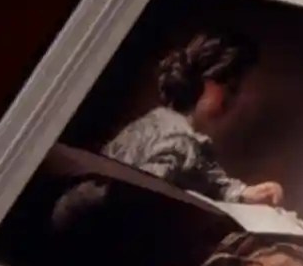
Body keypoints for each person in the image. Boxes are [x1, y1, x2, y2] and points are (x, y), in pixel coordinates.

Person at [51, 31, 282, 230]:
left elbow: (207, 178)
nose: (234, 100)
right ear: (197, 81)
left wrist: (244, 193)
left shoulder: (166, 123)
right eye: (230, 88)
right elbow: (140, 202)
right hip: (90, 226)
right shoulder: (177, 140)